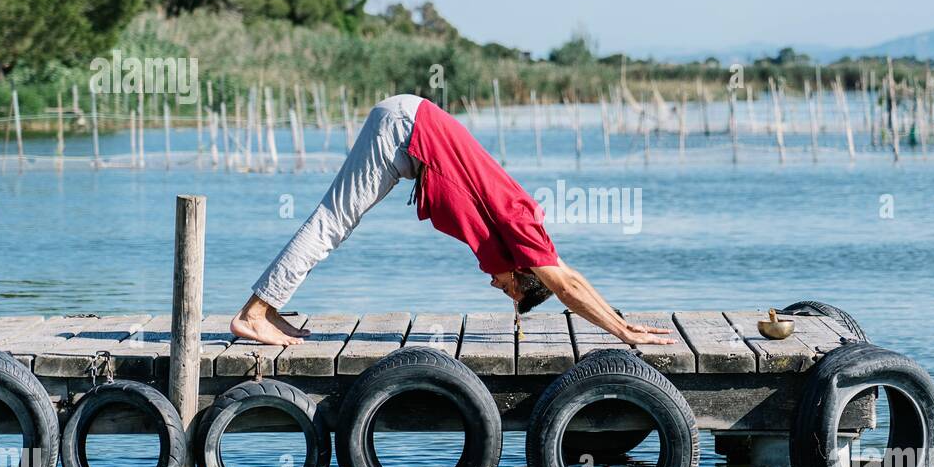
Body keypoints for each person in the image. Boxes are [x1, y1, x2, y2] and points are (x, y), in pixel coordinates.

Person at [231, 94, 675, 348]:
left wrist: (620, 317)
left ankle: (267, 310)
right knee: (332, 223)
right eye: (506, 288)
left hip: (409, 131)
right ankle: (254, 313)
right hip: (404, 130)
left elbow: (567, 275)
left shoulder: (521, 234)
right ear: (523, 275)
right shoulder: (521, 225)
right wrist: (623, 333)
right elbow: (566, 285)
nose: (493, 285)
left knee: (336, 224)